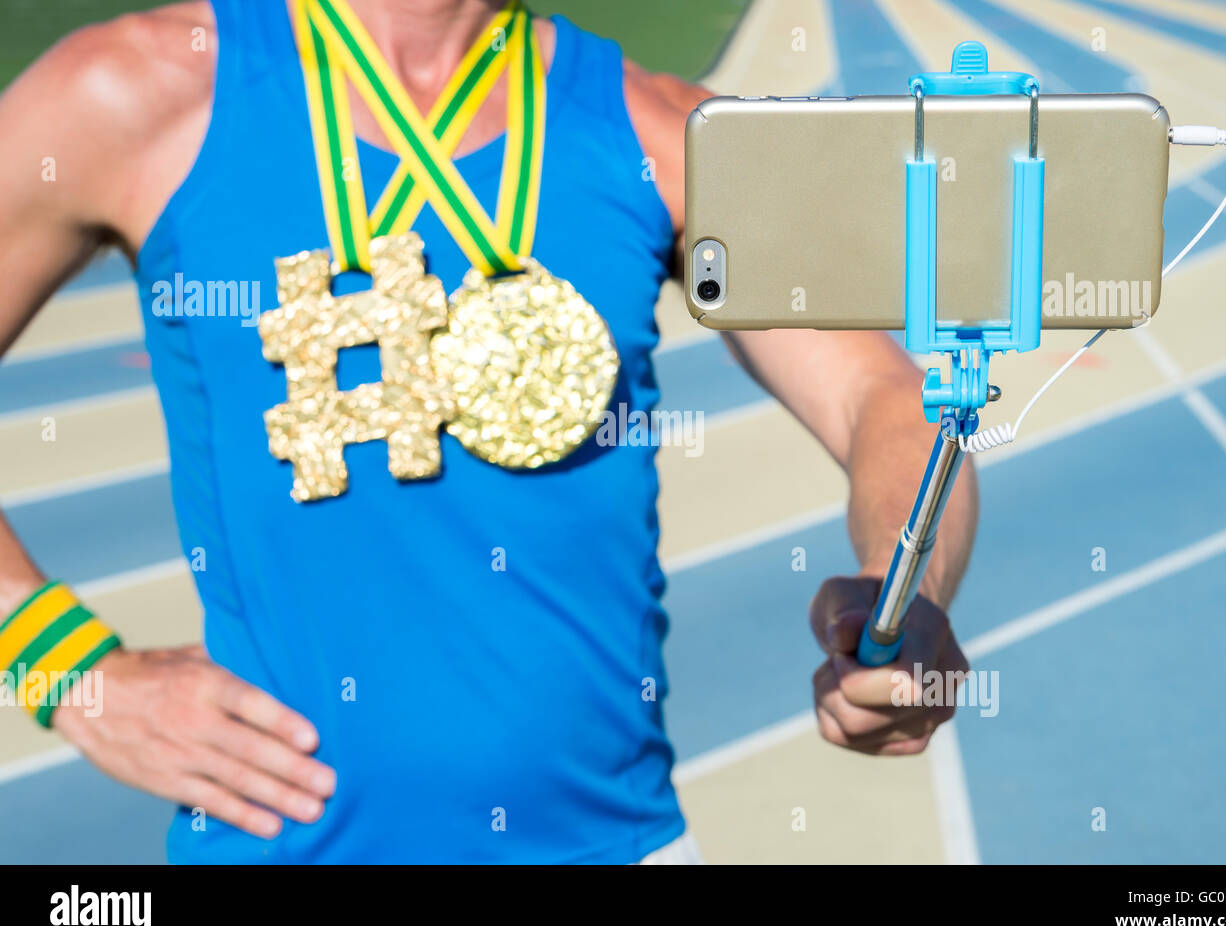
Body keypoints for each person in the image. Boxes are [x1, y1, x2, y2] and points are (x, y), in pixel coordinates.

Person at [0, 0, 976, 863]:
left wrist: (909, 593)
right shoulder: (139, 90)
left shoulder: (661, 129)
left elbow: (884, 398)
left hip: (614, 844)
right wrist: (68, 669)